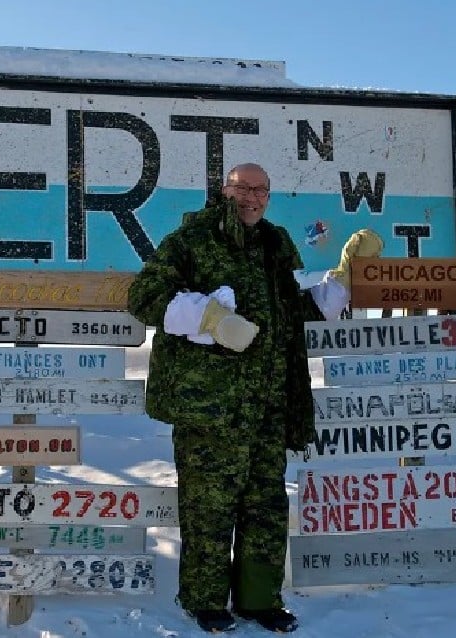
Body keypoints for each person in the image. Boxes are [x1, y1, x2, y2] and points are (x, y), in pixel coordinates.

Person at [127, 163, 382, 633]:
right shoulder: (194, 238)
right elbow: (144, 296)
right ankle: (205, 601)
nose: (252, 198)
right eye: (242, 188)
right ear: (225, 190)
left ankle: (260, 600)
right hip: (211, 409)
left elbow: (288, 311)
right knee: (209, 507)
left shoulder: (274, 243)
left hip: (268, 405)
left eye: (261, 190)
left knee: (265, 507)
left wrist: (342, 280)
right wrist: (207, 318)